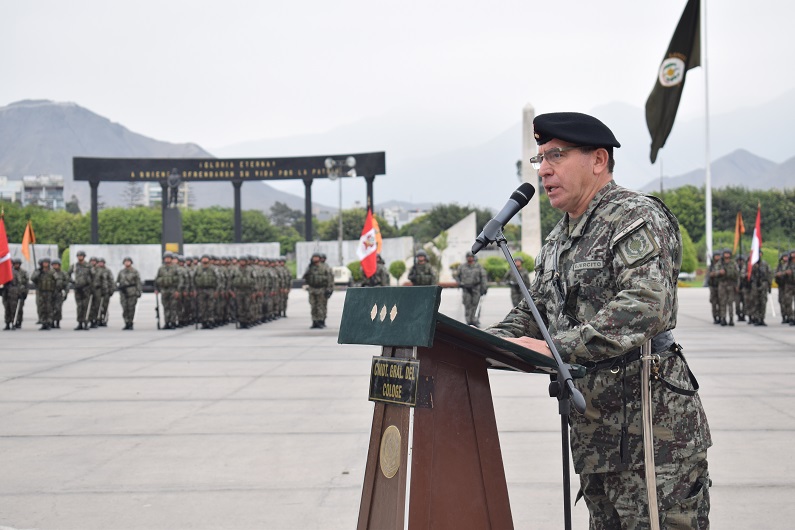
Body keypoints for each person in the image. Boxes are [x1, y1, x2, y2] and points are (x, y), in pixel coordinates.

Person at [484, 112, 711, 528]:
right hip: (596, 437)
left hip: (651, 430)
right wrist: (481, 344)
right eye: (539, 159)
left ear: (598, 160)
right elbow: (535, 311)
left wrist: (558, 349)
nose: (544, 169)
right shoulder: (559, 238)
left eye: (556, 154)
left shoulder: (633, 217)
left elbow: (646, 304)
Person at [455, 251, 486, 327]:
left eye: (471, 257)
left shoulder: (478, 266)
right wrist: (459, 283)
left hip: (476, 288)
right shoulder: (462, 266)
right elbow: (456, 276)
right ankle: (468, 321)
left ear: (474, 258)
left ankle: (475, 320)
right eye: (468, 257)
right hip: (466, 289)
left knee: (476, 305)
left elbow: (483, 277)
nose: (470, 258)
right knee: (467, 305)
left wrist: (484, 288)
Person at [303, 252, 333, 329]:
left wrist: (329, 289)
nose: (315, 259)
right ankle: (314, 321)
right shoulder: (310, 267)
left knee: (320, 306)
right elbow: (305, 277)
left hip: (321, 289)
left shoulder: (325, 267)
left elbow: (330, 279)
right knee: (313, 305)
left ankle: (320, 321)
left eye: (316, 257)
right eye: (314, 257)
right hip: (312, 288)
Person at [155, 252, 182, 329]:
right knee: (165, 307)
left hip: (173, 289)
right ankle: (167, 322)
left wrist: (178, 291)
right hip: (164, 290)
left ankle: (173, 322)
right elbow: (157, 279)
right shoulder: (161, 268)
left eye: (169, 258)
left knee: (173, 307)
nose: (167, 259)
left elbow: (180, 280)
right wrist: (156, 289)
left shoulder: (176, 268)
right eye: (166, 258)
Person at [69, 250, 93, 330]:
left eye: (81, 256)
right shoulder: (74, 266)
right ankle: (80, 323)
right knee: (79, 306)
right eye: (78, 256)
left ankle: (86, 322)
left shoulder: (88, 266)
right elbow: (67, 274)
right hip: (77, 288)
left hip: (86, 288)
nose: (80, 257)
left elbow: (93, 276)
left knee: (86, 306)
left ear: (84, 256)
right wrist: (72, 282)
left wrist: (90, 285)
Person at [2, 258, 28, 330]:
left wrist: (20, 292)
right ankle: (7, 323)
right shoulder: (3, 272)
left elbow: (19, 284)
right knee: (7, 308)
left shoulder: (15, 273)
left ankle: (14, 323)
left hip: (14, 293)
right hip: (5, 293)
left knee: (14, 309)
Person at [30, 257, 57, 330]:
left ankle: (48, 322)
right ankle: (43, 322)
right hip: (41, 292)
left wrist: (55, 291)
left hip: (49, 292)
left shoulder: (52, 272)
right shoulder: (39, 271)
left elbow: (56, 281)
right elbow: (32, 278)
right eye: (44, 263)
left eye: (46, 263)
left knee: (49, 308)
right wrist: (38, 273)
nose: (45, 264)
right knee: (41, 308)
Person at [116, 257, 142, 330]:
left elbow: (138, 282)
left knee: (131, 308)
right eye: (125, 262)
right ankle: (126, 322)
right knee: (124, 308)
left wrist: (138, 291)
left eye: (128, 261)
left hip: (132, 292)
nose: (127, 263)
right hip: (123, 292)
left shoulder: (135, 272)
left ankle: (130, 322)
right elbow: (118, 281)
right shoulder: (121, 272)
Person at [717, 249, 737, 326]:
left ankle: (731, 319)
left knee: (730, 303)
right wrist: (719, 272)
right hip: (722, 285)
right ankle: (723, 318)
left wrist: (737, 285)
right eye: (725, 253)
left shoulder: (733, 263)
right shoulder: (720, 263)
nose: (727, 255)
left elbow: (737, 275)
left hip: (731, 284)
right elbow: (715, 272)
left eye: (728, 253)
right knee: (722, 303)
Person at [51, 258, 70, 329]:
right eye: (53, 265)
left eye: (56, 265)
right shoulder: (50, 273)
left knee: (58, 308)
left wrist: (66, 293)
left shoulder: (63, 273)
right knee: (51, 308)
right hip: (51, 293)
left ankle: (57, 322)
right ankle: (51, 322)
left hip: (58, 293)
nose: (55, 266)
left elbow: (66, 284)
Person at [774, 252, 791, 324]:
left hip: (789, 285)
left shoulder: (791, 265)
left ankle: (790, 316)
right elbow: (775, 274)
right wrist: (779, 274)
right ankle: (784, 316)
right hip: (781, 286)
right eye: (784, 257)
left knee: (788, 302)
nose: (785, 258)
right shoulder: (779, 266)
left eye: (786, 257)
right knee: (781, 301)